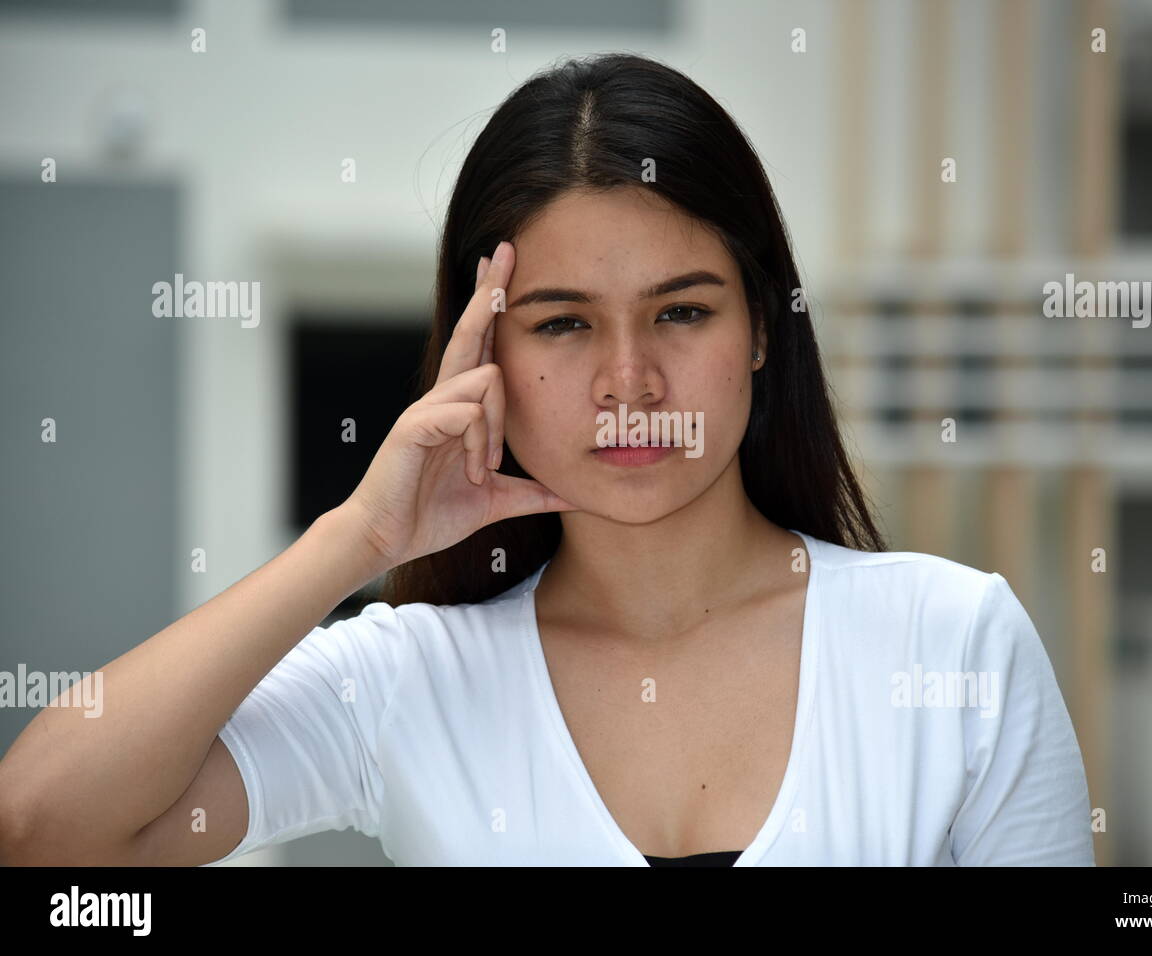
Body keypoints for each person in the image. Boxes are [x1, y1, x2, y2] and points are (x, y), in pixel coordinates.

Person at [0, 53, 1094, 867]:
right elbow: (46, 830)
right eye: (563, 323)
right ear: (486, 354)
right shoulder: (410, 677)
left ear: (761, 328)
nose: (629, 380)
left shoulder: (954, 646)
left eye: (680, 310)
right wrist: (355, 540)